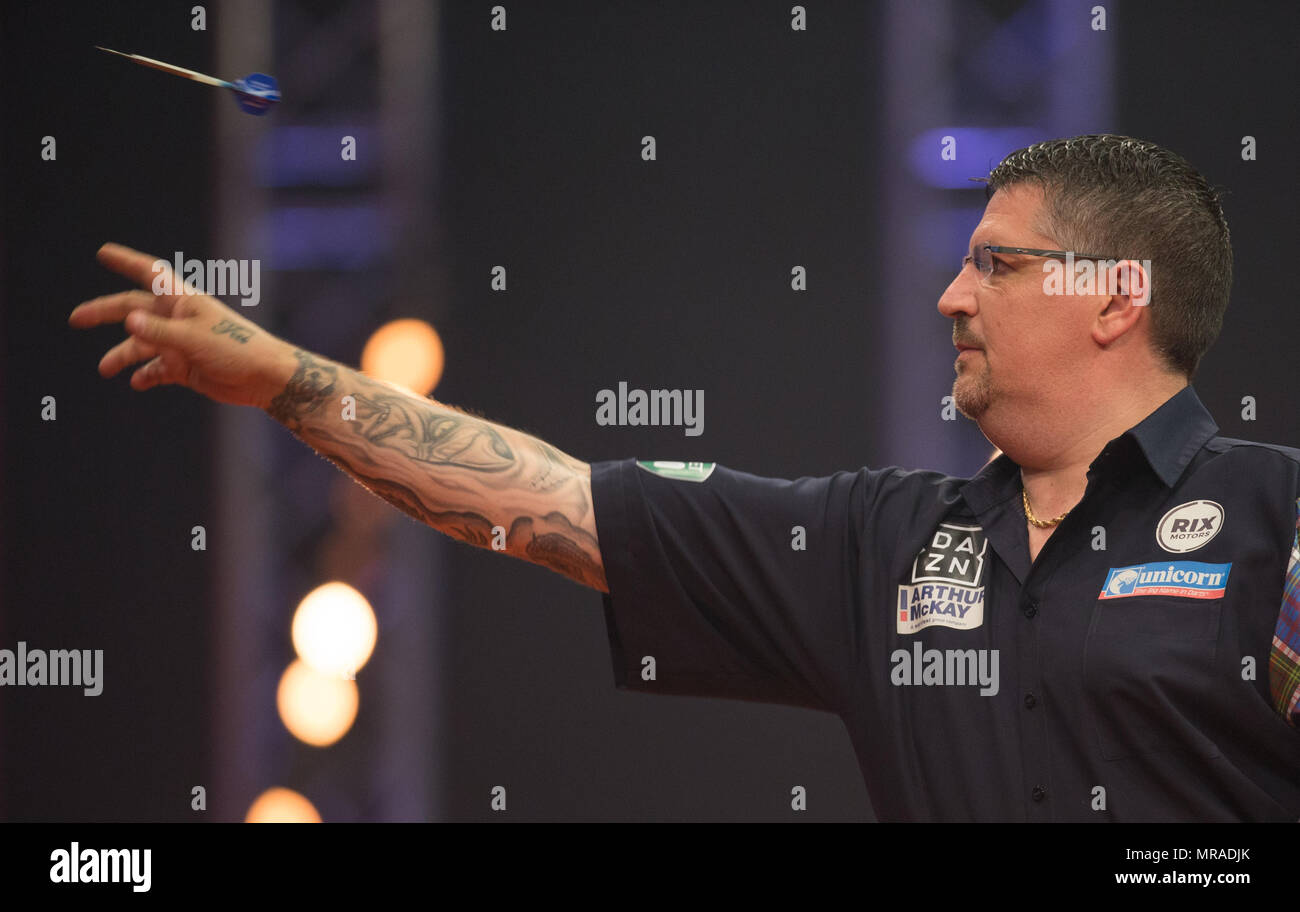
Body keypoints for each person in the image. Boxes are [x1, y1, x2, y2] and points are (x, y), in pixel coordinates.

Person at [69, 134, 1299, 821]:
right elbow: (548, 499)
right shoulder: (885, 547)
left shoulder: (1278, 521)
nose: (952, 295)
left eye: (999, 264)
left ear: (1113, 299)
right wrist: (287, 376)